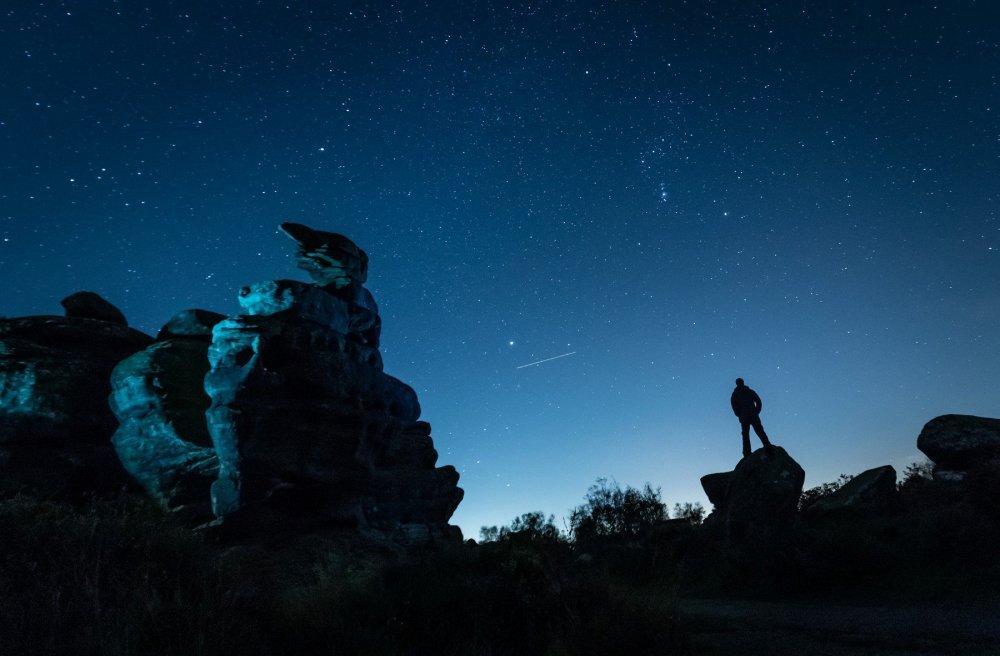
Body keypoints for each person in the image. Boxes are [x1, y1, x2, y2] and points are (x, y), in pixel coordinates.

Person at [731, 378, 773, 458]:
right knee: (745, 434)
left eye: (741, 382)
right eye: (738, 382)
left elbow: (758, 401)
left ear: (743, 382)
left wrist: (756, 411)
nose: (740, 383)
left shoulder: (750, 392)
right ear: (737, 384)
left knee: (759, 431)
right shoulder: (735, 394)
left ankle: (767, 445)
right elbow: (734, 405)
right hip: (744, 416)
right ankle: (747, 452)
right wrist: (739, 414)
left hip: (753, 415)